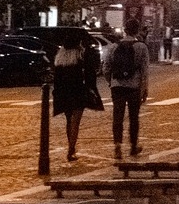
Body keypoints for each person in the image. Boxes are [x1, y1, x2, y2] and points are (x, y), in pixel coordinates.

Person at [106, 19, 152, 158]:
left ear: (125, 30)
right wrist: (144, 89)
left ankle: (117, 146)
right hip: (134, 86)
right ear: (137, 30)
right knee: (133, 118)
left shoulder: (113, 47)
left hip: (117, 86)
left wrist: (111, 81)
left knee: (117, 117)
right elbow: (145, 71)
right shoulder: (142, 47)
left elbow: (106, 67)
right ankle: (133, 146)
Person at [51, 32, 101, 161]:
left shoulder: (60, 60)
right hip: (78, 92)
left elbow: (56, 80)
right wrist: (92, 90)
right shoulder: (80, 58)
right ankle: (71, 148)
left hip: (64, 93)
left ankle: (71, 146)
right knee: (75, 122)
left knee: (69, 121)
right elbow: (90, 75)